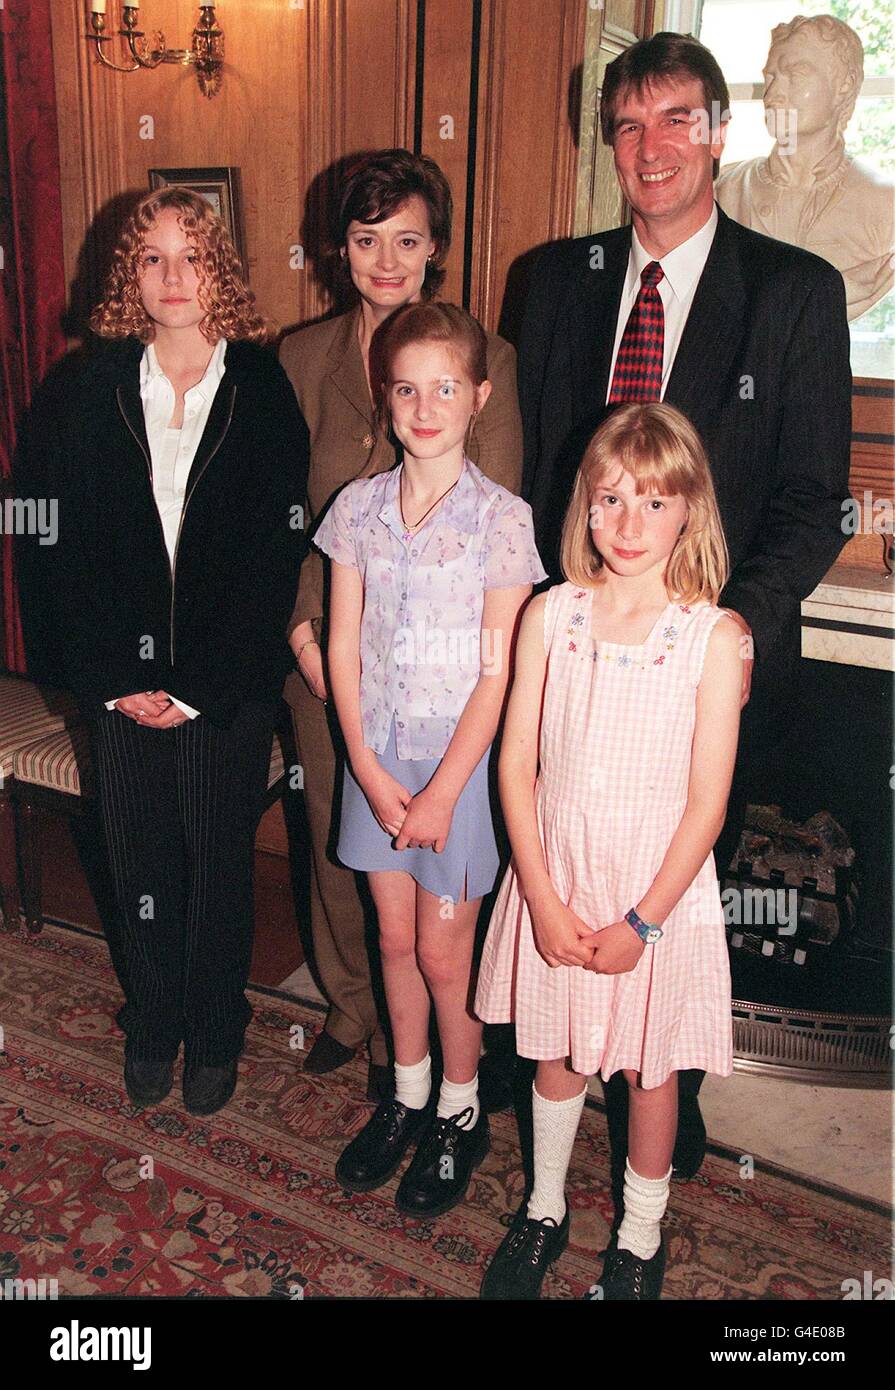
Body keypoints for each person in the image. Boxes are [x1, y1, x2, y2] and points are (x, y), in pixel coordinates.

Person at [516, 31, 851, 1185]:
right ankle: (560, 1068)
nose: (650, 147)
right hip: (579, 654)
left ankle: (667, 1091)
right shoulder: (552, 281)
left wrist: (736, 626)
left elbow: (813, 498)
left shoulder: (794, 294)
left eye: (674, 120)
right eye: (627, 124)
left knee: (679, 883)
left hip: (713, 659)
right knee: (569, 854)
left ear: (718, 130)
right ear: (607, 143)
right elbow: (529, 479)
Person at [16, 187, 308, 1116]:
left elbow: (276, 550)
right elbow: (50, 544)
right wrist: (112, 679)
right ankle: (154, 1022)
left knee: (217, 862)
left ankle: (215, 1032)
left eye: (191, 255)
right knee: (137, 860)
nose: (173, 276)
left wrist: (198, 686)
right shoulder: (82, 388)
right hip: (117, 682)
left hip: (223, 687)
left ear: (218, 267)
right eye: (152, 257)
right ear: (128, 274)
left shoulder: (260, 387)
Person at [476, 402, 742, 1300]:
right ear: (584, 506)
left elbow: (706, 806)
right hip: (560, 875)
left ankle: (637, 1234)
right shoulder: (552, 616)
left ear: (689, 512)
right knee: (554, 1055)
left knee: (648, 1067)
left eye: (654, 503)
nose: (629, 524)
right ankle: (543, 1208)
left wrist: (642, 921)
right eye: (611, 499)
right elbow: (515, 765)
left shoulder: (714, 636)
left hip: (654, 898)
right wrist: (544, 901)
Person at [279, 150, 523, 1100]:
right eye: (365, 239)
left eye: (407, 240)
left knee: (433, 879)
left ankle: (436, 1062)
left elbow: (491, 519)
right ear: (340, 251)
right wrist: (306, 635)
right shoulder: (302, 359)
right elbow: (279, 520)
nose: (386, 260)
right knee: (341, 834)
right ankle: (355, 1009)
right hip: (328, 643)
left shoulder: (484, 359)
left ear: (437, 251)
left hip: (443, 672)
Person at [314, 302, 545, 1216]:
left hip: (461, 776)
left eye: (444, 387)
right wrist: (369, 773)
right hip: (378, 761)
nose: (424, 405)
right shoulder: (356, 509)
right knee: (395, 939)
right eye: (406, 387)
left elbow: (496, 673)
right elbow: (340, 647)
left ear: (478, 397)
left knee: (448, 954)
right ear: (384, 395)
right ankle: (407, 1096)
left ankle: (459, 1108)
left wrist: (447, 790)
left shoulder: (503, 520)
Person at [715, 14, 893, 322]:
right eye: (770, 77)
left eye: (796, 73)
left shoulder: (885, 204)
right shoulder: (725, 189)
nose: (773, 95)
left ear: (844, 85)